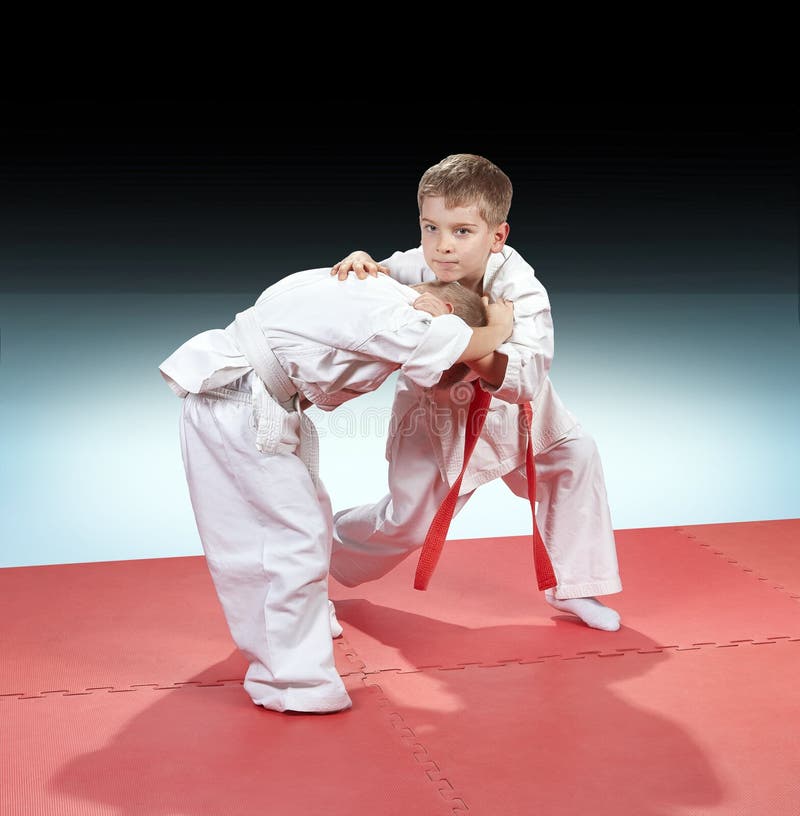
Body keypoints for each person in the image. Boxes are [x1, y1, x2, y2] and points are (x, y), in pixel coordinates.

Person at [159, 266, 513, 714]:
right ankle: (289, 682)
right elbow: (455, 342)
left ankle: (304, 622)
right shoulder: (401, 315)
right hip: (237, 407)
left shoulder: (366, 281)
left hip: (252, 400)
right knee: (283, 543)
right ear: (439, 311)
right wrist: (500, 326)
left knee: (311, 516)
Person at [328, 153, 623, 632]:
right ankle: (315, 553)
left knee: (574, 457)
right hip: (435, 417)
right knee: (409, 523)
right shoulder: (411, 265)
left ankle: (577, 588)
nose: (442, 247)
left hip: (518, 416)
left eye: (462, 231)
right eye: (430, 228)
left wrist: (465, 342)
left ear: (498, 236)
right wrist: (362, 262)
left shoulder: (519, 287)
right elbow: (371, 281)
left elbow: (528, 374)